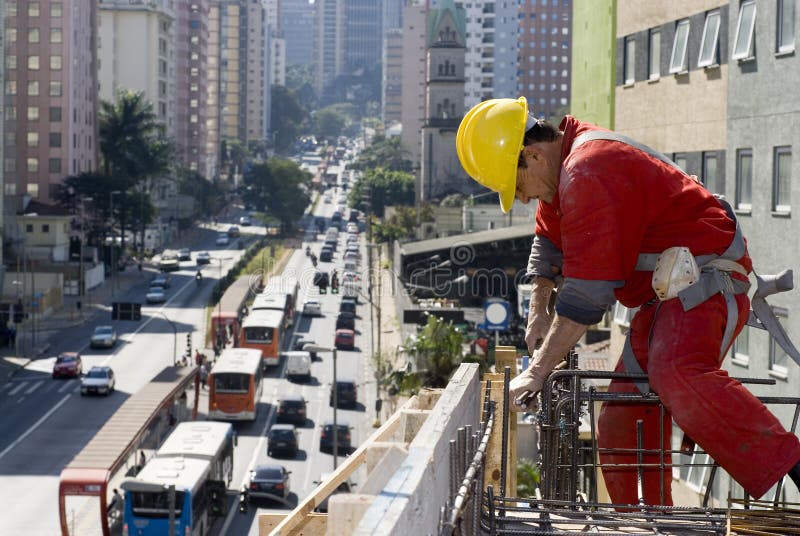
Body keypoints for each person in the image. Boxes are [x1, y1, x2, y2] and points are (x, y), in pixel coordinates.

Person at [456, 96, 800, 506]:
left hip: (709, 280)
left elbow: (588, 294)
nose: (525, 199)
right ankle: (648, 521)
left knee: (675, 372)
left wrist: (538, 371)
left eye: (516, 187)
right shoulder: (564, 164)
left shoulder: (586, 169)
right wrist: (537, 315)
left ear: (531, 155)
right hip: (667, 294)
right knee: (620, 422)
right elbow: (547, 241)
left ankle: (794, 466)